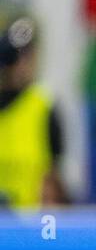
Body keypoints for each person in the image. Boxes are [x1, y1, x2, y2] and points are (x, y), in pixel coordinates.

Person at [0, 16, 65, 208]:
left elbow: (53, 180)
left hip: (31, 227)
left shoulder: (43, 106)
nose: (23, 63)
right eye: (17, 56)